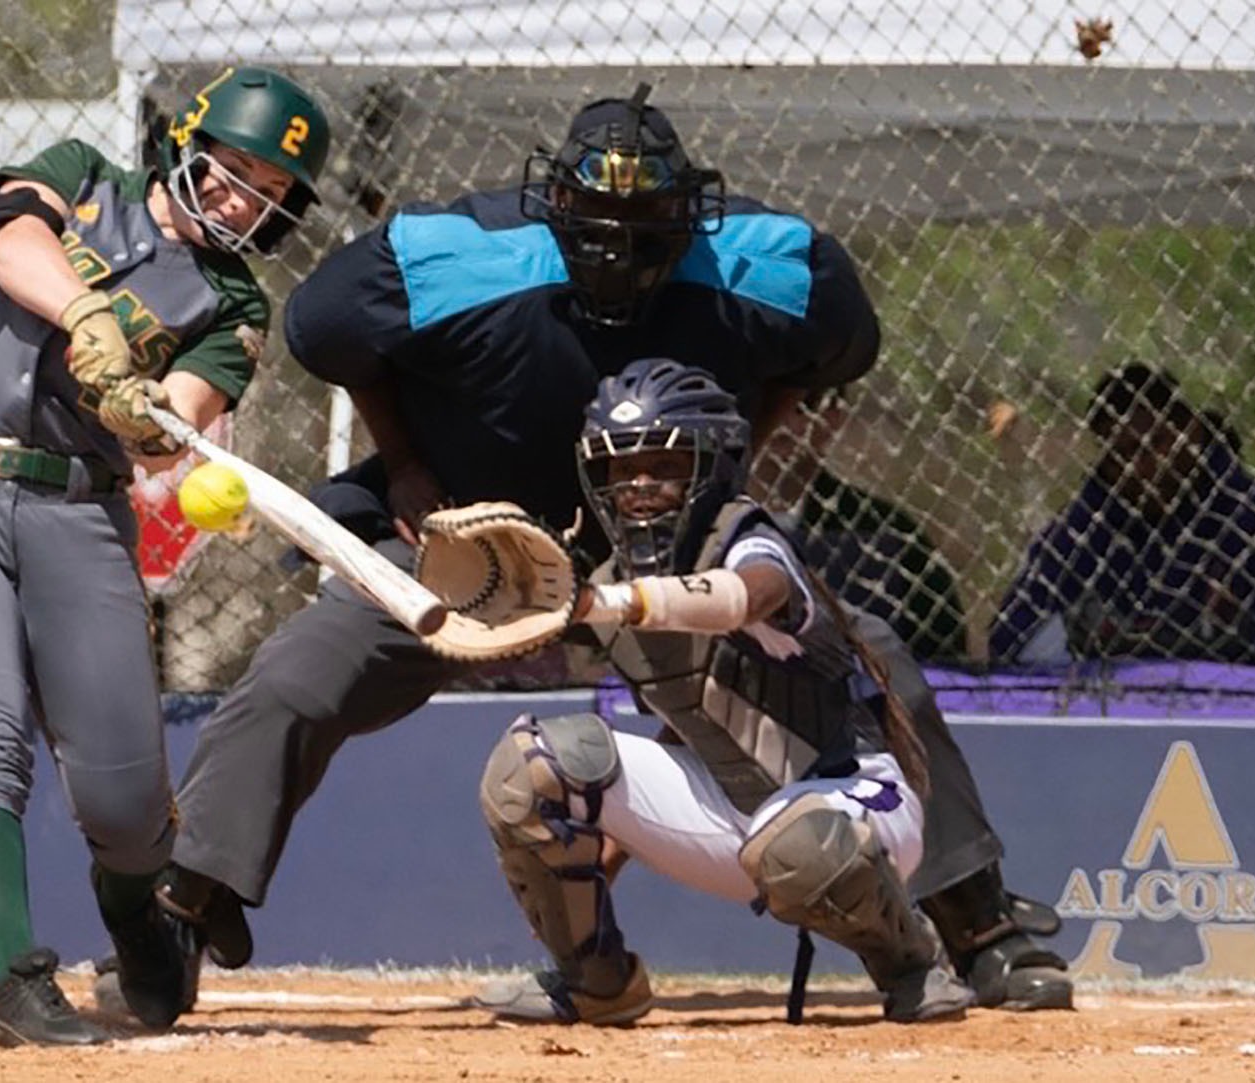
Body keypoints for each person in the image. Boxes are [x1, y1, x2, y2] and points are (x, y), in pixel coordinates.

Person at [126, 85, 1068, 1024]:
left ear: (689, 212)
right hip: (472, 544)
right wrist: (409, 467)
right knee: (296, 677)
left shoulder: (756, 261)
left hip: (667, 551)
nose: (620, 242)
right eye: (599, 218)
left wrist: (739, 467)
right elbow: (327, 334)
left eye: (647, 220)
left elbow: (835, 350)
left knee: (866, 657)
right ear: (554, 205)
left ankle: (978, 925)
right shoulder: (467, 254)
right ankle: (183, 912)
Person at [0, 66, 330, 1047]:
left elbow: (183, 427)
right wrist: (88, 316)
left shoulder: (232, 304)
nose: (238, 197)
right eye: (230, 168)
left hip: (80, 518)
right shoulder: (88, 180)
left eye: (266, 189)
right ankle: (14, 978)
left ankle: (136, 912)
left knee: (126, 810)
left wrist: (145, 415)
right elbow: (8, 238)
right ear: (189, 145)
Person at [475, 359, 974, 1025]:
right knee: (530, 764)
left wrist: (607, 602)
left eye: (663, 464)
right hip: (733, 819)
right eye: (623, 469)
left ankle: (911, 963)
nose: (641, 486)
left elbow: (751, 595)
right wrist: (581, 876)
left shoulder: (746, 538)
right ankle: (596, 978)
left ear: (712, 466)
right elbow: (692, 725)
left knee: (796, 841)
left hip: (849, 799)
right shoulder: (612, 580)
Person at [990, 363, 1255, 665]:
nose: (1137, 467)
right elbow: (1012, 632)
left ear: (1190, 433)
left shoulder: (1247, 512)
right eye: (1122, 453)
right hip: (1120, 699)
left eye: (1152, 444)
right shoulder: (1087, 525)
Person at [760, 389, 969, 661]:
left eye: (803, 405)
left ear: (833, 419)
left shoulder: (885, 531)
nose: (784, 420)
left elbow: (945, 656)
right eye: (769, 401)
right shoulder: (700, 514)